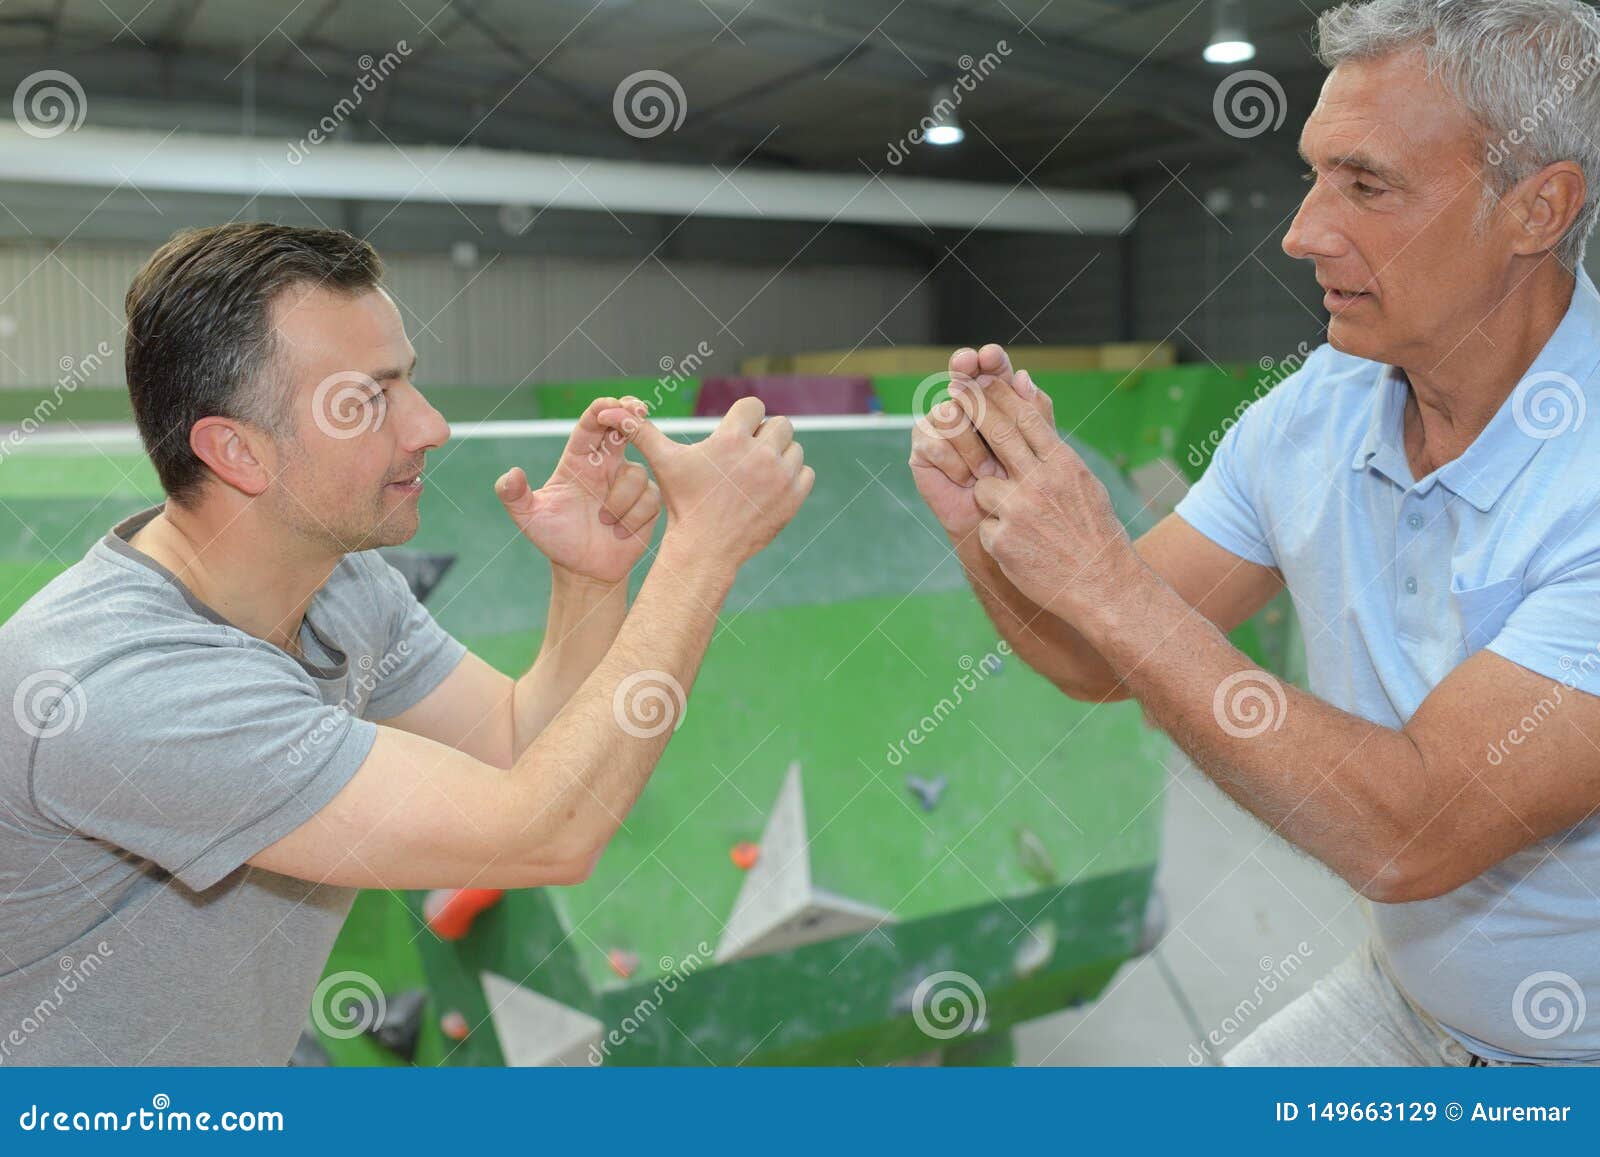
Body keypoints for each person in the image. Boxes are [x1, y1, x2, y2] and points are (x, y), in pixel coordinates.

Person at [910, 0, 1600, 1066]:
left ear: (1537, 206)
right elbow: (1097, 657)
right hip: (1408, 1009)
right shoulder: (1315, 411)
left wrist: (1101, 575)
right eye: (1315, 174)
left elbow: (1411, 828)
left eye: (1367, 186)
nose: (1303, 231)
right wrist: (987, 525)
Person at [0, 222, 813, 1065]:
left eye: (410, 381)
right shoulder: (130, 689)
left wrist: (591, 581)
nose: (430, 425)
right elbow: (543, 834)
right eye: (369, 399)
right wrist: (705, 547)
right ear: (236, 450)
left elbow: (511, 748)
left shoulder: (339, 584)